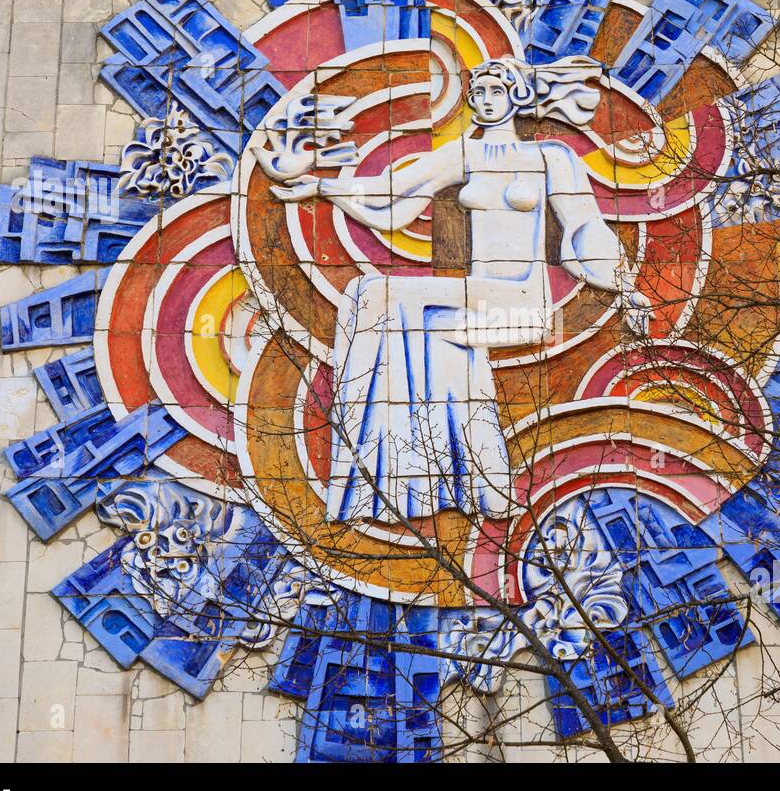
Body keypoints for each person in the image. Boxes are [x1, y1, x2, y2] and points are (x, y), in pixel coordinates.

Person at [270, 55, 651, 524]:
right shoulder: (465, 154)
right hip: (475, 294)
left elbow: (583, 229)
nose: (487, 102)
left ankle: (409, 479)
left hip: (521, 301)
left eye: (497, 92)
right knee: (396, 312)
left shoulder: (550, 157)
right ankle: (423, 483)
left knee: (382, 298)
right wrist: (318, 186)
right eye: (479, 94)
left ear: (517, 96)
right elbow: (392, 195)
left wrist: (623, 285)